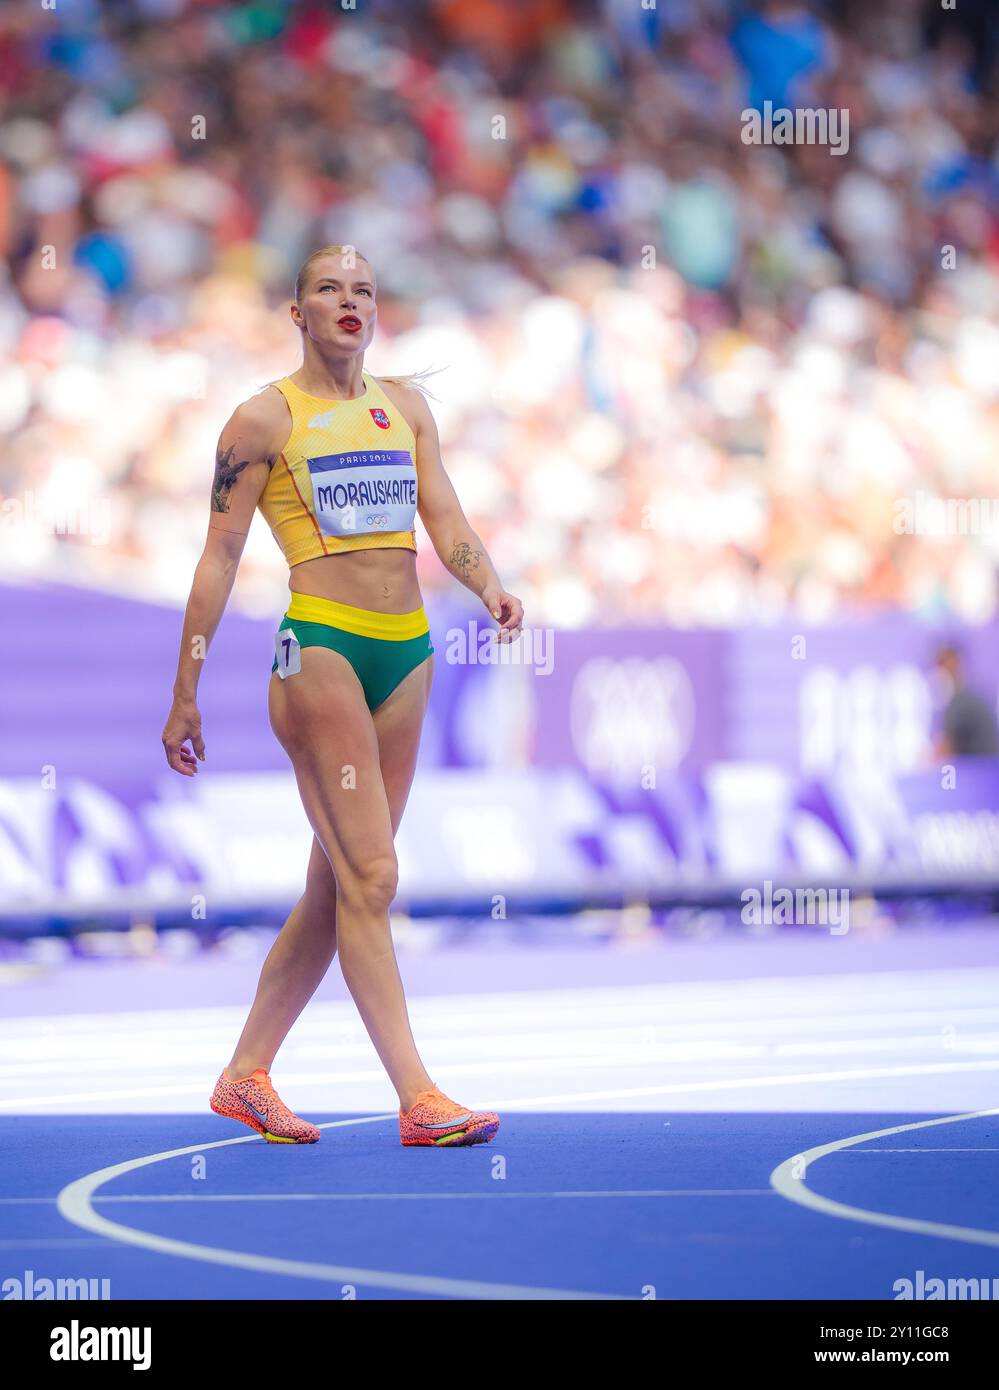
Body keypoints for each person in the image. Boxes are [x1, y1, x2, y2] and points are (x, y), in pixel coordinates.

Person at [161, 244, 523, 1145]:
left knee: (339, 884)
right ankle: (417, 1097)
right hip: (319, 649)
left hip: (406, 653)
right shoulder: (261, 420)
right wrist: (187, 691)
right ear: (298, 313)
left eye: (362, 289)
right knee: (375, 875)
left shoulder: (404, 407)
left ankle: (245, 1074)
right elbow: (218, 557)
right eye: (328, 288)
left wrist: (488, 585)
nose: (348, 300)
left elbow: (443, 516)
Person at [932, 644, 999, 759]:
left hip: (980, 771)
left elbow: (944, 751)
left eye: (941, 664)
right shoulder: (968, 697)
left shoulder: (960, 702)